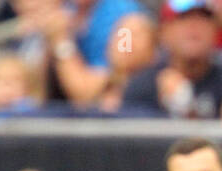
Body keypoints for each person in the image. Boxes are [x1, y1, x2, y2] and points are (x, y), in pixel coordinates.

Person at [18, 0, 153, 108]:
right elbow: (38, 92)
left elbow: (88, 91)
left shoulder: (123, 13)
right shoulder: (68, 10)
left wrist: (61, 42)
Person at [122, 0, 222, 119]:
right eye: (183, 18)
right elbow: (129, 129)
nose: (194, 26)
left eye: (204, 18)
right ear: (164, 31)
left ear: (216, 31)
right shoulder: (142, 85)